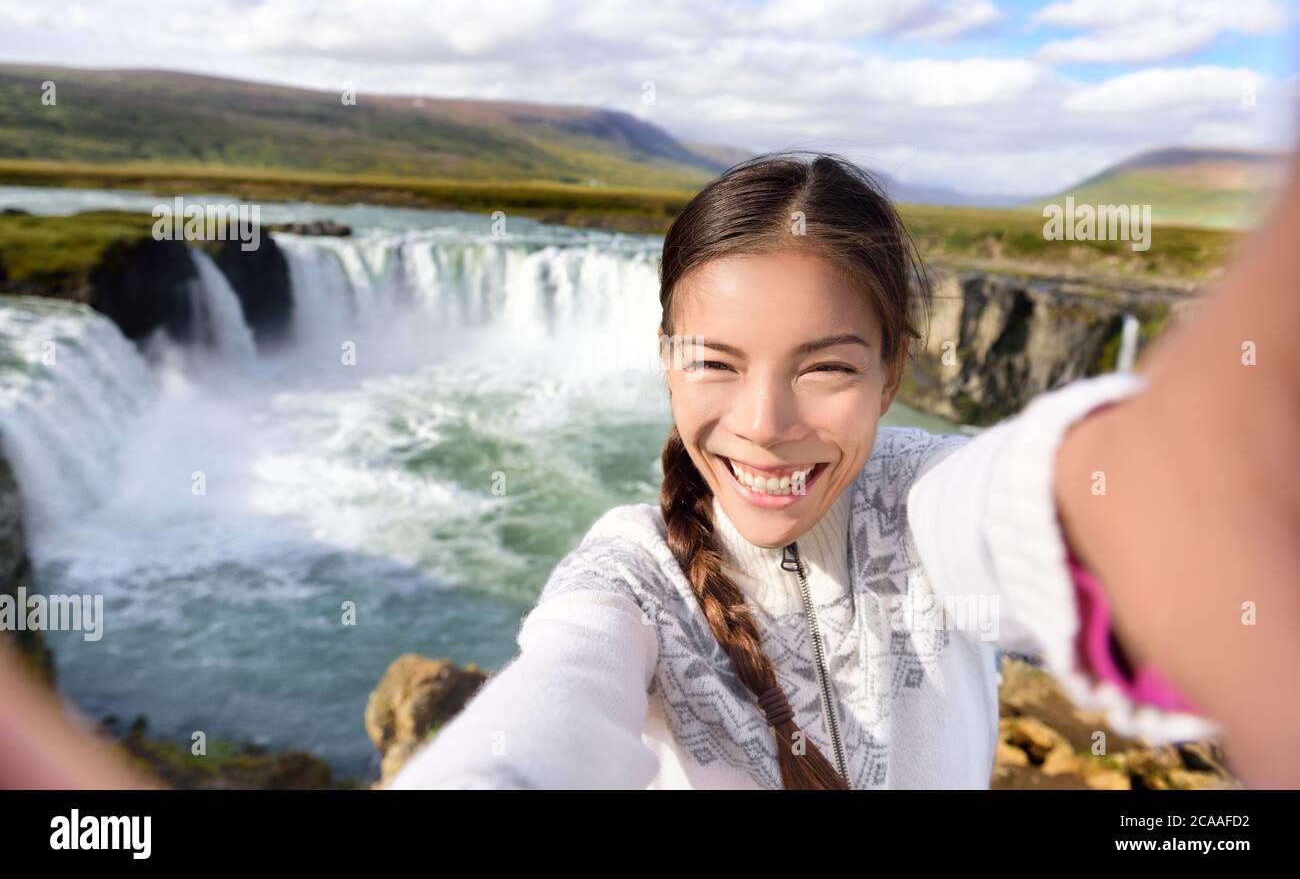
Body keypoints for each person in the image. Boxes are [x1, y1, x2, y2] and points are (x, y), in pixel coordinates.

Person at [387, 149, 1300, 790]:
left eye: (825, 366)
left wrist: (1192, 479)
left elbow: (1036, 505)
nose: (765, 425)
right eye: (714, 361)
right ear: (666, 357)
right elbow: (546, 720)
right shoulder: (628, 573)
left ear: (893, 369)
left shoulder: (925, 498)